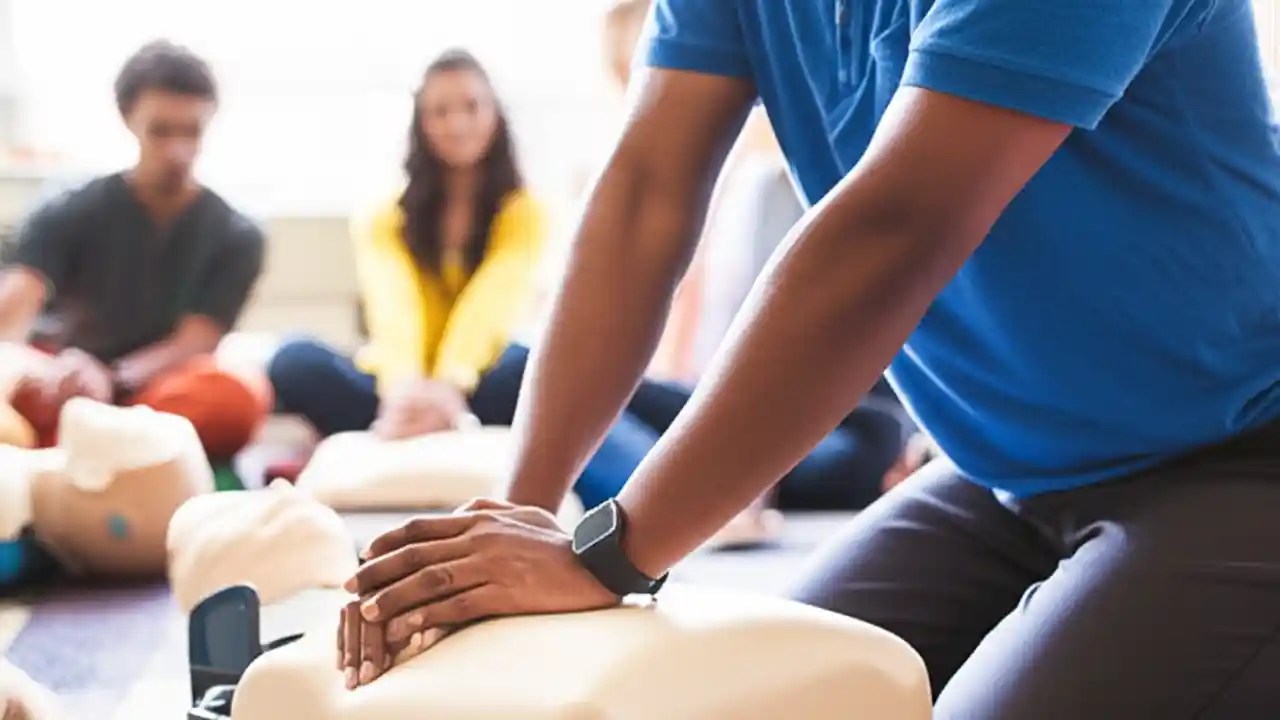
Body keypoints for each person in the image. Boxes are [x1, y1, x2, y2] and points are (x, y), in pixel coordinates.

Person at [341, 1, 1280, 715]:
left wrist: (606, 556)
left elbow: (894, 230)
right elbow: (644, 197)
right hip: (1002, 476)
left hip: (1237, 459)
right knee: (749, 697)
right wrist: (515, 519)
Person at [0, 40, 268, 461]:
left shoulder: (236, 234)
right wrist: (52, 374)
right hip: (59, 383)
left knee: (236, 398)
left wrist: (110, 378)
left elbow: (195, 340)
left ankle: (85, 444)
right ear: (128, 120)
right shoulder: (70, 209)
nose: (177, 150)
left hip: (150, 391)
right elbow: (16, 306)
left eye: (191, 132)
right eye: (161, 131)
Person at [266, 49, 549, 442]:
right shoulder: (385, 215)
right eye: (440, 111)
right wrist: (403, 388)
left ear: (495, 114)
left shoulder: (526, 211)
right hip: (395, 388)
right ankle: (415, 420)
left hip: (479, 383)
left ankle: (428, 420)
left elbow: (494, 301)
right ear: (421, 122)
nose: (457, 124)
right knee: (293, 359)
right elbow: (393, 306)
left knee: (531, 365)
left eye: (471, 107)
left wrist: (451, 384)